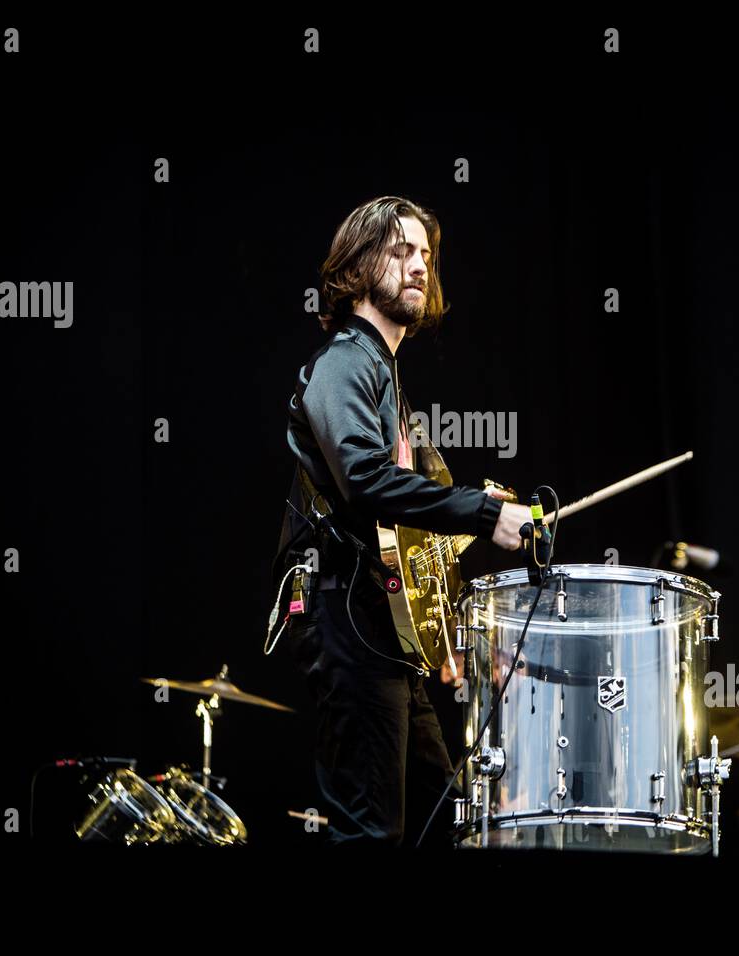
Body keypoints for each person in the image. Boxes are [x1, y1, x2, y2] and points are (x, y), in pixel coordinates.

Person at [271, 196, 533, 847]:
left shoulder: (384, 375)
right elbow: (365, 482)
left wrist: (445, 632)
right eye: (401, 250)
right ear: (360, 264)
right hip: (345, 621)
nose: (419, 265)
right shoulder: (342, 363)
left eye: (426, 254)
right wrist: (483, 510)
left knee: (442, 820)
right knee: (372, 833)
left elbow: (408, 531)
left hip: (382, 634)